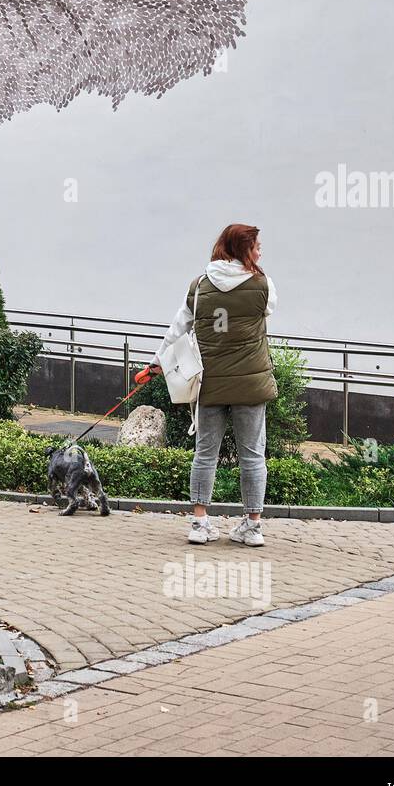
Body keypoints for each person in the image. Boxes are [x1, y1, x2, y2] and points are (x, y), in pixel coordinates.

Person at [152, 224, 278, 547]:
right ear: (243, 250)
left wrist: (157, 362)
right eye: (256, 246)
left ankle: (200, 522)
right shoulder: (263, 285)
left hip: (210, 384)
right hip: (250, 385)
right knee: (253, 455)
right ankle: (252, 527)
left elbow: (178, 326)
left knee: (205, 453)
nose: (260, 251)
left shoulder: (200, 286)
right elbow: (268, 309)